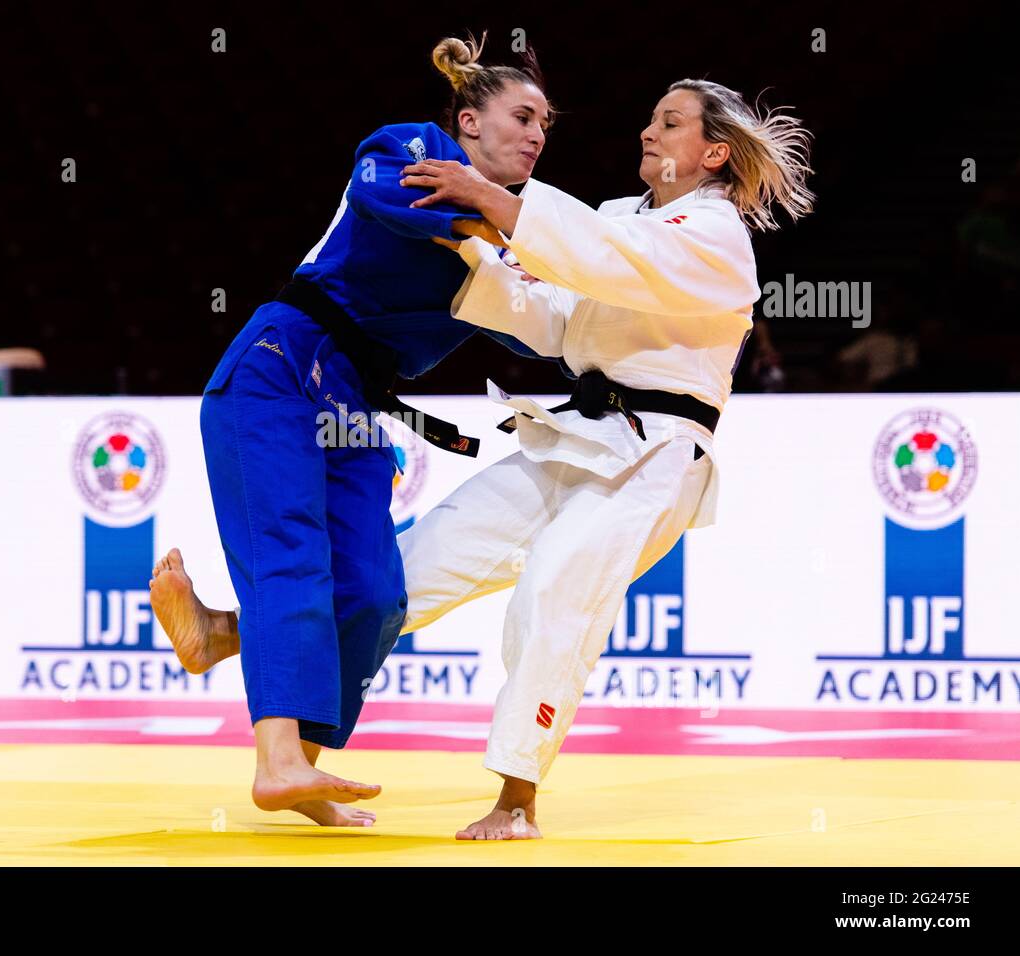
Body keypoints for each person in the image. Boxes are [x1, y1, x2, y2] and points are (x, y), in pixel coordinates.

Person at [155, 78, 814, 840]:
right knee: (403, 578)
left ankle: (516, 799)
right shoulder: (614, 217)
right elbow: (557, 321)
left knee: (555, 590)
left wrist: (492, 207)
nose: (648, 131)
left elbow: (606, 258)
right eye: (651, 118)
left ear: (713, 152)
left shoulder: (716, 233)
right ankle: (231, 636)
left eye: (670, 124)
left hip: (657, 452)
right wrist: (470, 247)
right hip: (576, 432)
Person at [153, 35, 553, 828]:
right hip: (282, 363)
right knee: (292, 550)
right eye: (522, 115)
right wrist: (489, 235)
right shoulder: (421, 147)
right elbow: (380, 198)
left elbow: (543, 331)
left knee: (373, 594)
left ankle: (264, 711)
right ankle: (278, 762)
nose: (538, 134)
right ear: (470, 119)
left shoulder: (514, 241)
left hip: (357, 402)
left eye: (547, 124)